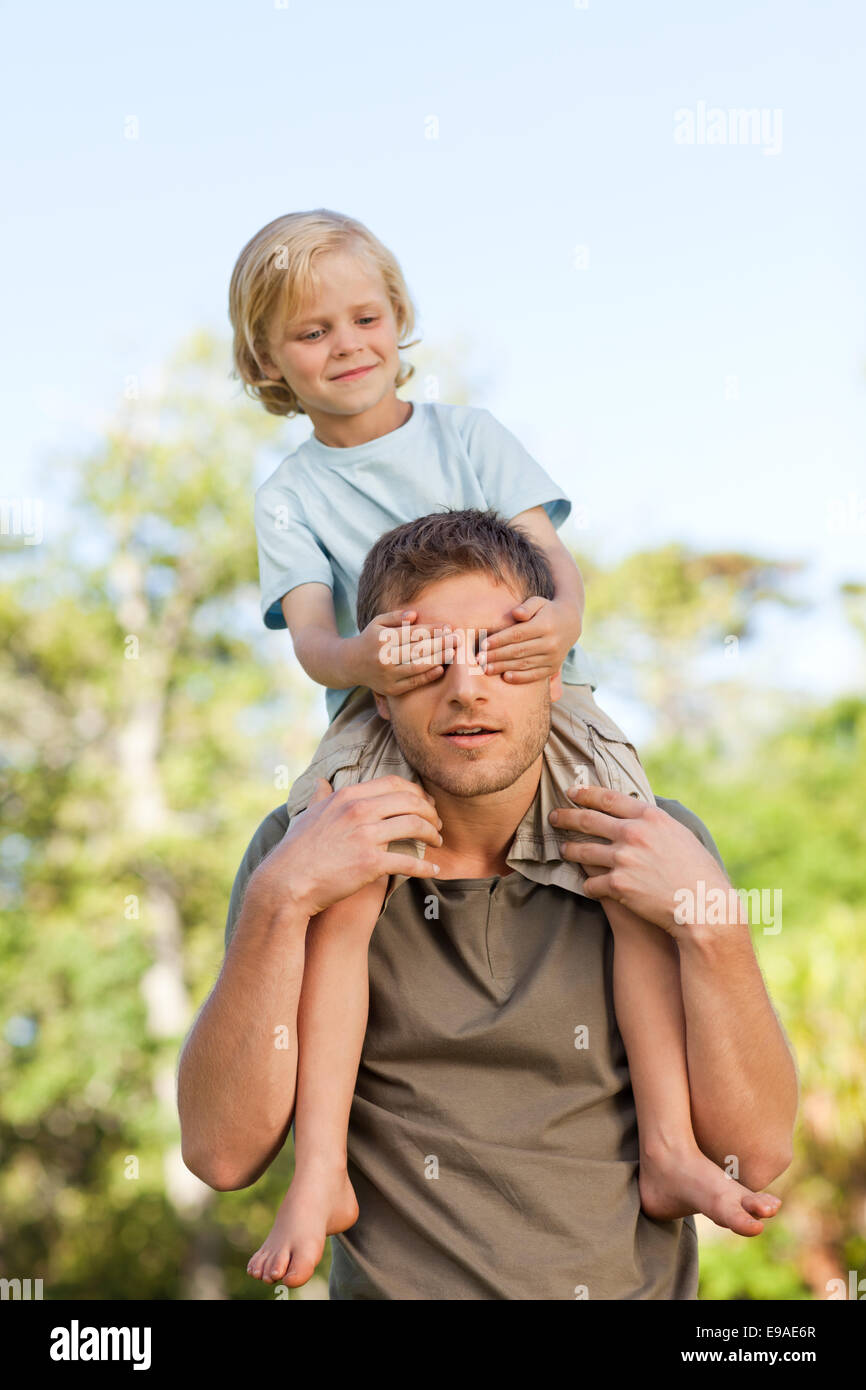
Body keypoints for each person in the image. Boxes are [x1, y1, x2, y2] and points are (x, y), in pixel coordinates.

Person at [216, 207, 795, 1288]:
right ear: (266, 362)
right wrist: (369, 657)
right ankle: (321, 1169)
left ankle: (666, 1146)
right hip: (378, 708)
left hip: (549, 690)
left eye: (365, 317)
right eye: (310, 333)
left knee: (629, 867)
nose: (345, 345)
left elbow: (552, 570)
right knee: (336, 895)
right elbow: (311, 644)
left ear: (400, 321)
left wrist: (554, 629)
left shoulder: (468, 437)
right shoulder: (290, 493)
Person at [176, 518, 798, 1300]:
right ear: (378, 686)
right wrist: (279, 896)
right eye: (426, 661)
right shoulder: (307, 849)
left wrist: (715, 927)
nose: (466, 688)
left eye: (501, 657)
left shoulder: (653, 849)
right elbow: (222, 1156)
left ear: (553, 674)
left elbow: (758, 1154)